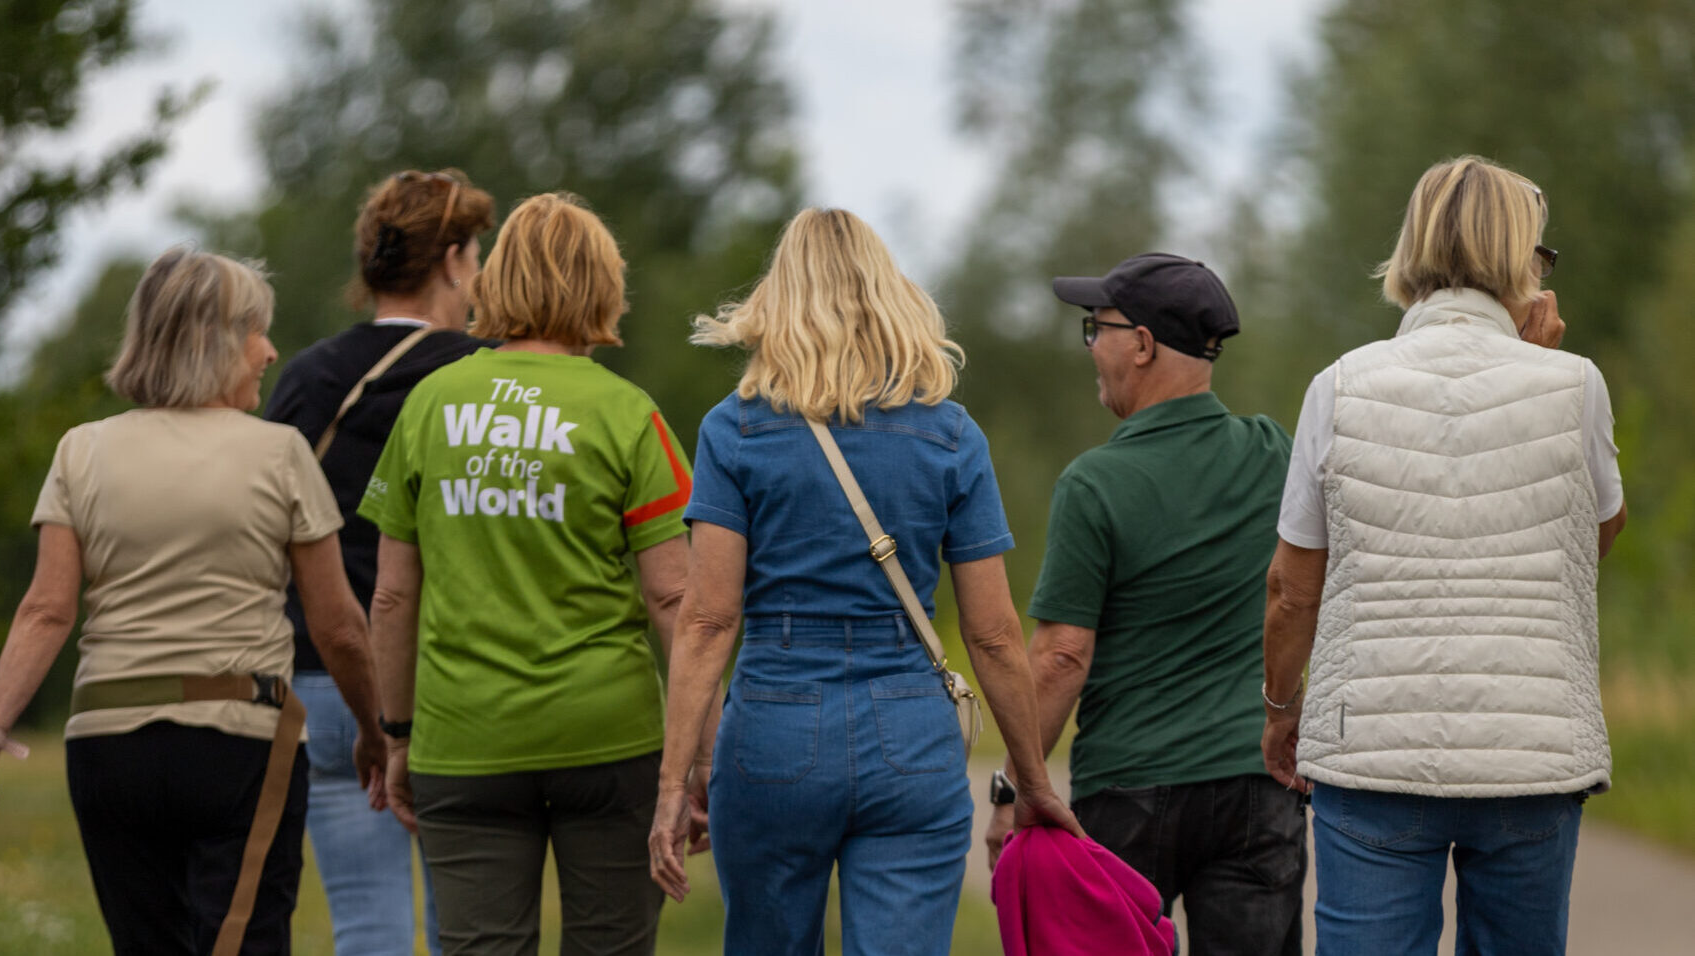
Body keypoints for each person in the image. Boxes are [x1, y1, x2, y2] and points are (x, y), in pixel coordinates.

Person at [648, 207, 1084, 955]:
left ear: (780, 299)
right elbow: (990, 630)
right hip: (909, 733)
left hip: (773, 731)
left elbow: (707, 620)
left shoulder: (734, 429)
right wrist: (1033, 783)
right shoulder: (949, 433)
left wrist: (671, 784)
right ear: (889, 295)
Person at [1262, 155, 1627, 955]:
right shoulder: (1576, 385)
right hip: (1530, 757)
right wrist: (1544, 365)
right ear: (1520, 261)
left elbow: (1293, 588)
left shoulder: (1339, 385)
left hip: (1371, 757)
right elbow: (1593, 535)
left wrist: (1282, 711)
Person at [0, 247, 384, 956]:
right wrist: (376, 731)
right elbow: (338, 628)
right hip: (238, 743)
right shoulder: (280, 453)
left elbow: (46, 610)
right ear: (217, 339)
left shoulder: (81, 451)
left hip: (106, 746)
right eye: (256, 331)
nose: (270, 352)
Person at [359, 192, 690, 956]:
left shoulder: (429, 405)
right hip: (609, 739)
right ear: (603, 287)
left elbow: (392, 594)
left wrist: (397, 734)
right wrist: (694, 757)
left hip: (463, 738)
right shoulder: (628, 413)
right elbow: (674, 596)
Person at [983, 253, 1307, 954]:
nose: (1090, 348)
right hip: (1257, 785)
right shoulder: (1273, 452)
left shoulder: (1094, 483)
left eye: (1093, 329)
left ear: (1141, 344)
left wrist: (1015, 790)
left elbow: (1062, 654)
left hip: (1128, 793)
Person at [264, 167, 495, 956]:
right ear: (455, 258)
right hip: (453, 677)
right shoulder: (481, 378)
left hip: (323, 681)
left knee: (368, 933)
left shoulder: (305, 377)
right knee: (470, 931)